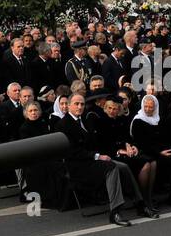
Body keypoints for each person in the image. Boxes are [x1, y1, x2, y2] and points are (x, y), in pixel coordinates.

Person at [59, 92, 145, 226]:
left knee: (124, 166)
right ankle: (115, 212)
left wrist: (110, 152)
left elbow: (96, 142)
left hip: (93, 160)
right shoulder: (63, 125)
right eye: (76, 104)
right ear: (69, 105)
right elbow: (72, 151)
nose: (80, 106)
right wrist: (98, 156)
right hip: (79, 165)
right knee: (111, 167)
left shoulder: (85, 120)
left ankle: (140, 203)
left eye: (82, 104)